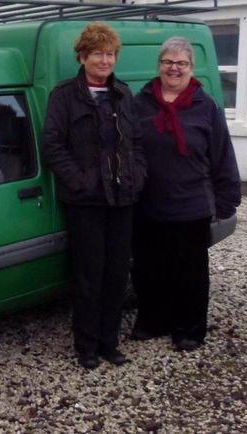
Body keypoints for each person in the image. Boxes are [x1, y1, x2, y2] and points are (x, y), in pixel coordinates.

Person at [42, 23, 147, 369]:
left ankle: (109, 343)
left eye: (110, 54)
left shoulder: (122, 92)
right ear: (83, 56)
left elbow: (137, 142)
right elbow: (53, 146)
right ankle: (86, 347)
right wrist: (81, 182)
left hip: (122, 199)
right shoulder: (65, 95)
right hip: (86, 202)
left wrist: (139, 175)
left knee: (117, 274)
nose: (105, 60)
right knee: (89, 275)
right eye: (98, 53)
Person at [132, 37, 241, 352]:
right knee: (148, 270)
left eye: (181, 63)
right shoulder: (140, 104)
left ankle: (189, 329)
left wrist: (226, 201)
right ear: (159, 66)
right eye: (168, 62)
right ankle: (154, 320)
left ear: (191, 69)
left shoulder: (205, 107)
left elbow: (223, 156)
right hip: (147, 205)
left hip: (190, 206)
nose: (174, 68)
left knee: (189, 274)